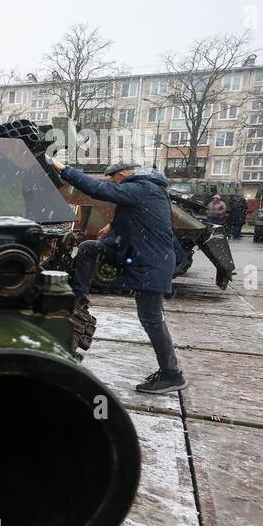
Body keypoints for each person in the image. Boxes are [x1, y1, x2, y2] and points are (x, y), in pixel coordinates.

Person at [54, 160, 186, 394]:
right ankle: (81, 297)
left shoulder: (142, 188)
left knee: (151, 318)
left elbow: (100, 190)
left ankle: (171, 374)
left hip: (150, 263)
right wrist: (112, 225)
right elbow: (140, 214)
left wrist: (64, 169)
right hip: (137, 254)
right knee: (89, 248)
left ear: (123, 175)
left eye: (115, 180)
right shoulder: (151, 190)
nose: (115, 184)